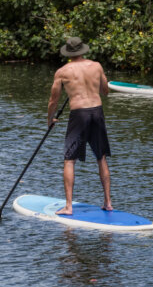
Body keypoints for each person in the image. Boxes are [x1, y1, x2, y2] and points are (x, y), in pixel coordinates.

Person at [47, 36, 113, 215]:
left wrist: (50, 120)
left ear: (68, 53)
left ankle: (68, 207)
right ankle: (107, 202)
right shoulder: (97, 66)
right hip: (97, 111)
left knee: (69, 159)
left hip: (79, 114)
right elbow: (105, 91)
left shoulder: (62, 72)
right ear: (83, 50)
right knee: (101, 157)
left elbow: (54, 100)